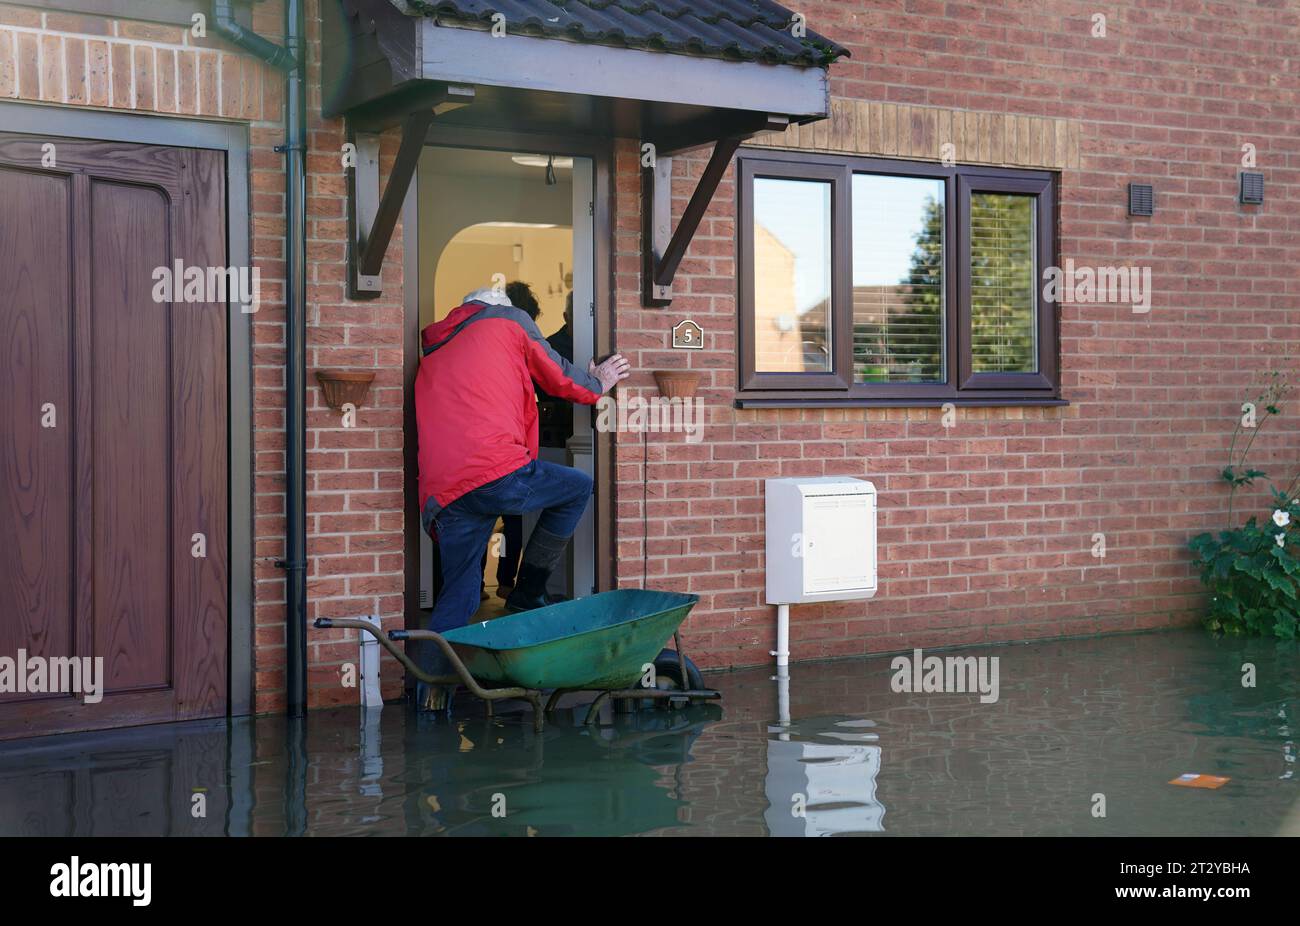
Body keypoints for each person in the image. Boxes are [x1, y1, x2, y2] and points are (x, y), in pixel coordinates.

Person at [414, 286, 630, 710]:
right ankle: (529, 588)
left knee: (459, 596)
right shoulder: (509, 320)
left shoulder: (437, 347)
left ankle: (429, 697)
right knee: (577, 486)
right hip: (494, 469)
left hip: (444, 491)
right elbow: (559, 377)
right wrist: (597, 382)